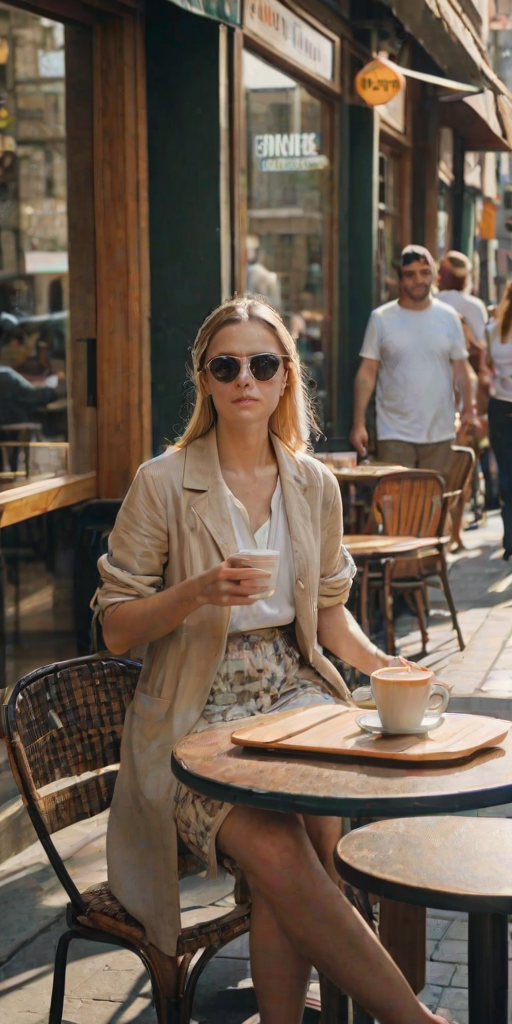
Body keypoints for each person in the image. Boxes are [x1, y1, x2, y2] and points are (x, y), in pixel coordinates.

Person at [97, 295, 454, 1024]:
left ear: (286, 375)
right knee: (281, 851)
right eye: (226, 366)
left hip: (294, 690)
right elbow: (115, 629)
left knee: (332, 829)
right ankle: (414, 1019)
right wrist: (197, 591)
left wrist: (385, 665)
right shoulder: (162, 482)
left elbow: (327, 612)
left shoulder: (312, 482)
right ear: (203, 379)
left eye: (262, 365)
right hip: (194, 712)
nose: (245, 380)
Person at [350, 245, 474, 474]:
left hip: (440, 433)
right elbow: (367, 373)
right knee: (398, 496)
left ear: (434, 276)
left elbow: (462, 369)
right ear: (400, 279)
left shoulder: (449, 317)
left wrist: (468, 410)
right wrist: (358, 423)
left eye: (424, 273)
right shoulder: (381, 318)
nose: (418, 280)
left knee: (436, 495)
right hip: (393, 433)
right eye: (410, 274)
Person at [487, 281, 512, 560]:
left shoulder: (494, 330)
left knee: (507, 474)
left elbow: (487, 367)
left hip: (501, 405)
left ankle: (510, 539)